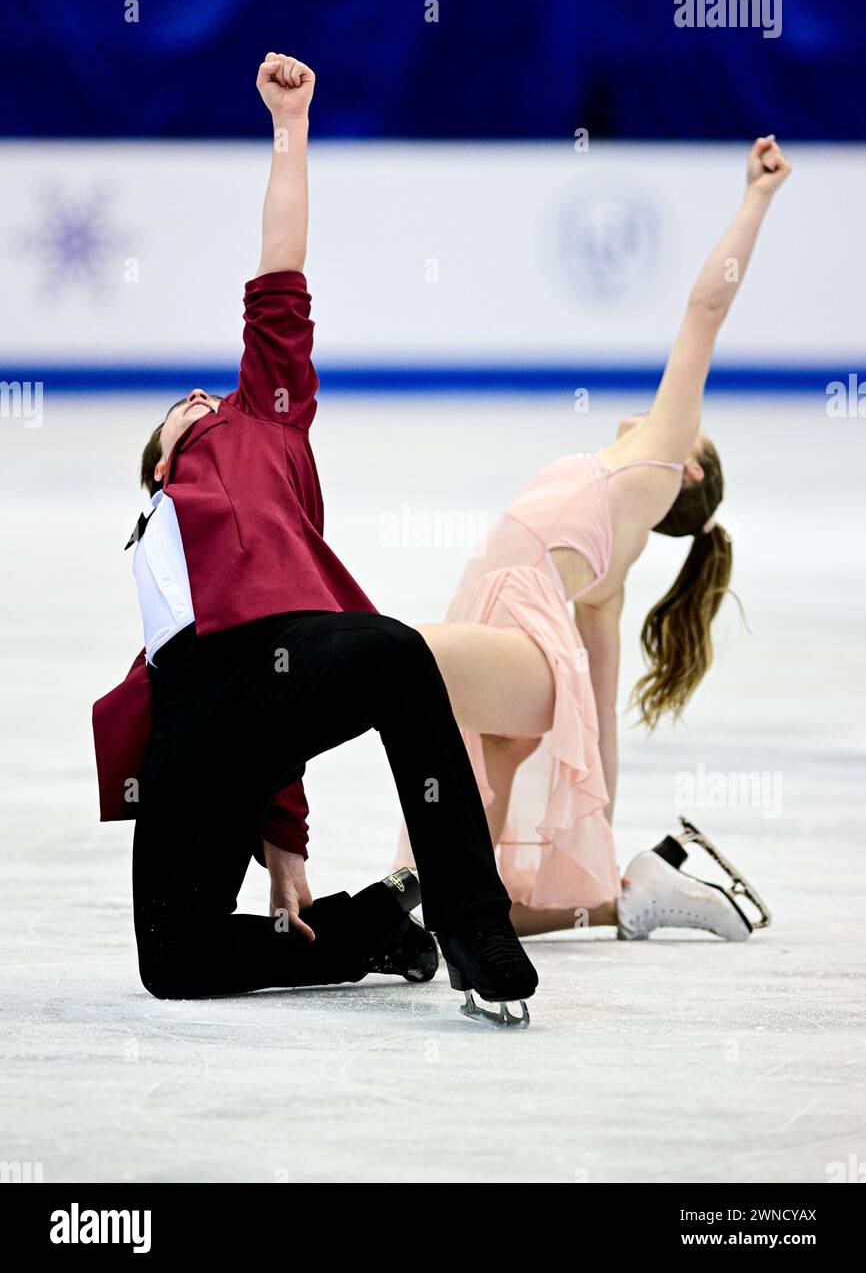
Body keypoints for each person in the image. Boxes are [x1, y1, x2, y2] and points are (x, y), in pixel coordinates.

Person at [92, 52, 537, 1019]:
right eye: (182, 407)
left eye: (205, 394)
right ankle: (371, 930)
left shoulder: (266, 419)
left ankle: (476, 925)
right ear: (163, 463)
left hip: (274, 657)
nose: (200, 397)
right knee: (173, 959)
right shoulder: (163, 520)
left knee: (397, 657)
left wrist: (289, 129)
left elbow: (278, 270)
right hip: (190, 719)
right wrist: (284, 848)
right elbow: (249, 719)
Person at [398, 137, 790, 941]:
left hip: (514, 630)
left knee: (384, 662)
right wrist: (600, 834)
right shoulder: (621, 555)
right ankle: (631, 896)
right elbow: (595, 702)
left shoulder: (654, 464)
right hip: (521, 644)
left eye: (690, 434)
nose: (675, 420)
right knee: (483, 902)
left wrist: (756, 198)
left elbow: (704, 310)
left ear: (687, 472)